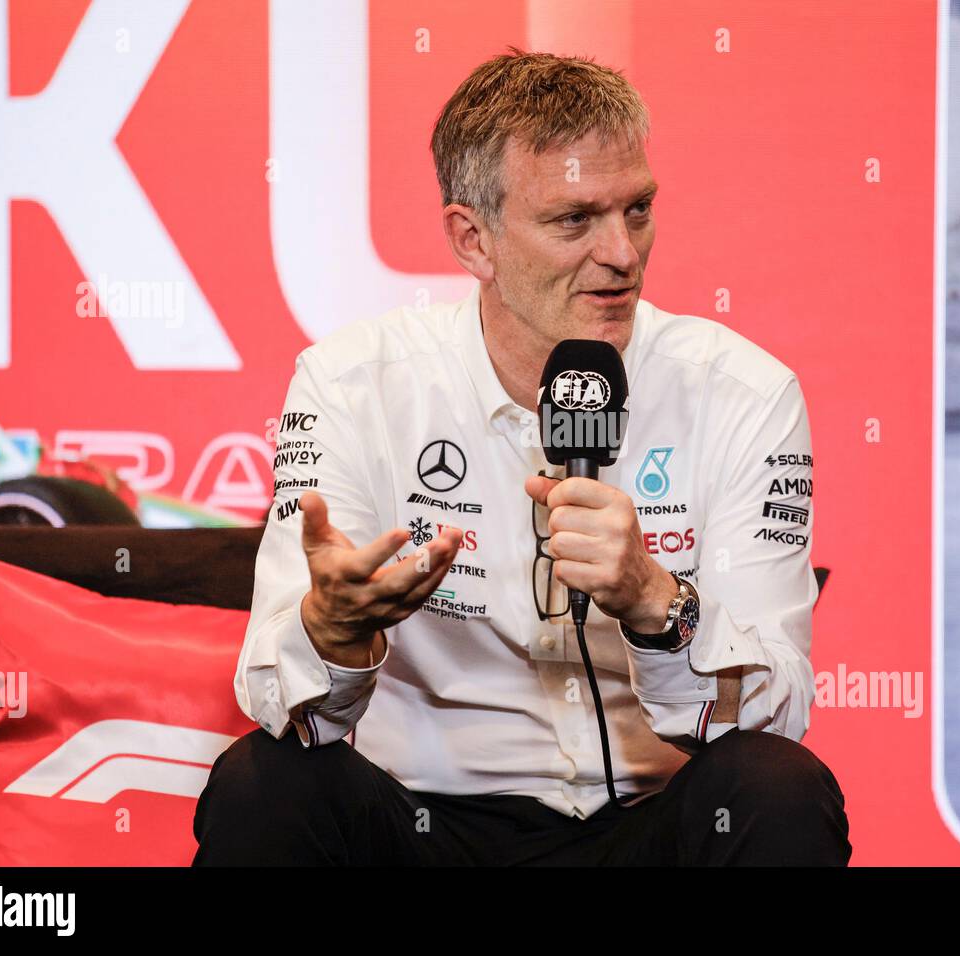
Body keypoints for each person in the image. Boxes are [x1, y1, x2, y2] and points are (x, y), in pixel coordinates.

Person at [193, 47, 849, 866]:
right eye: (575, 220)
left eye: (636, 209)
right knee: (265, 783)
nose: (622, 253)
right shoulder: (351, 384)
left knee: (776, 787)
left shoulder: (743, 393)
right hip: (425, 830)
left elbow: (776, 713)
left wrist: (654, 601)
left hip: (650, 828)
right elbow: (290, 711)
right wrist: (333, 629)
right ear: (474, 239)